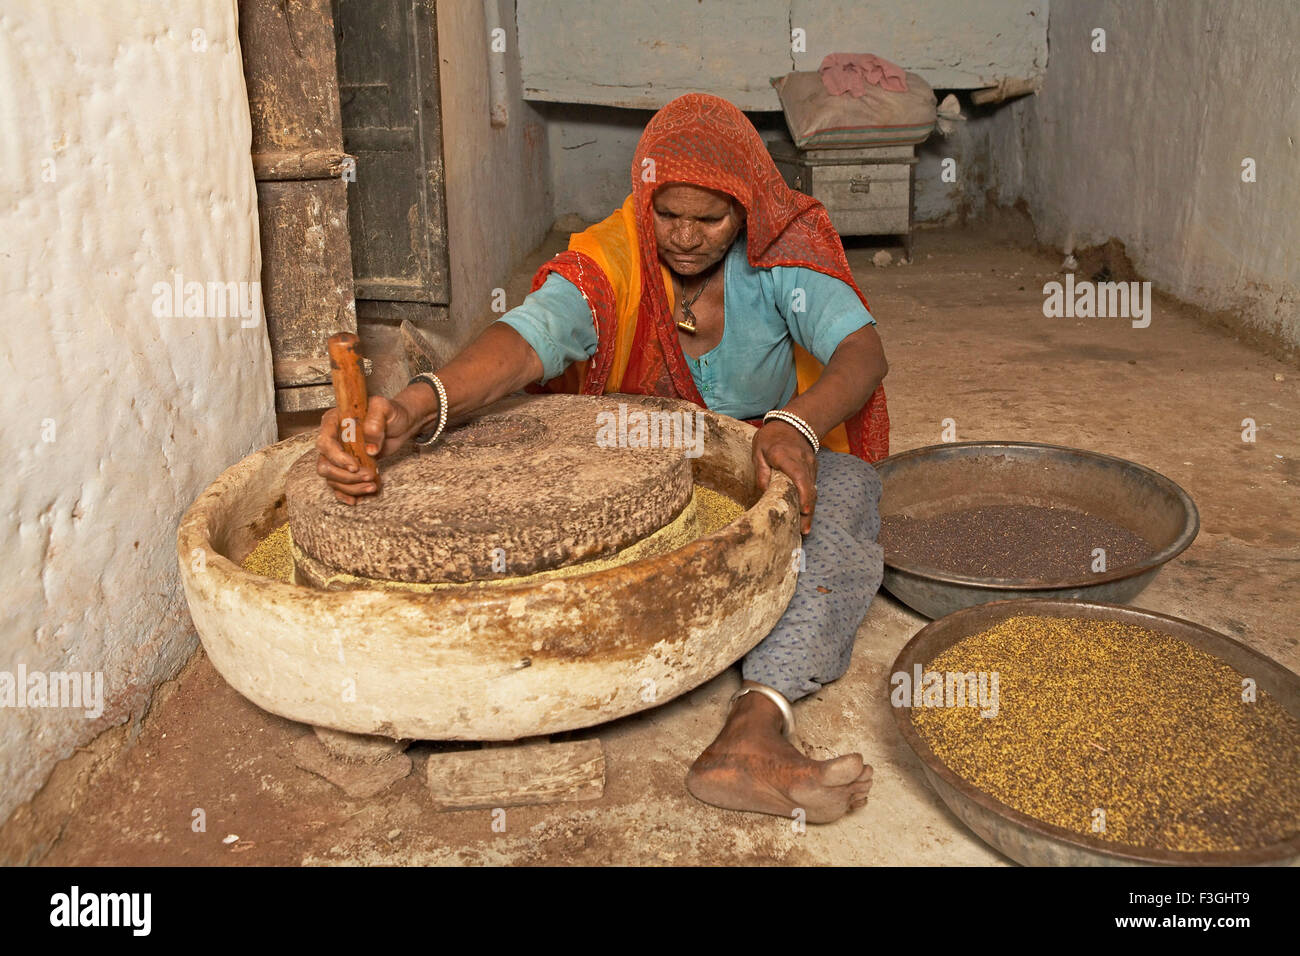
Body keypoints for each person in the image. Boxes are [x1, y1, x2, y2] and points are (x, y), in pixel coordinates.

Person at [316, 93, 889, 824]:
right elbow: (531, 336)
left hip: (762, 450)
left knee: (843, 503)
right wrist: (415, 407)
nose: (683, 236)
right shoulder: (615, 258)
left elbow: (861, 352)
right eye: (666, 213)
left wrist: (798, 427)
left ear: (746, 209)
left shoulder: (779, 259)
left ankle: (752, 728)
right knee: (521, 473)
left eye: (709, 219)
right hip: (634, 452)